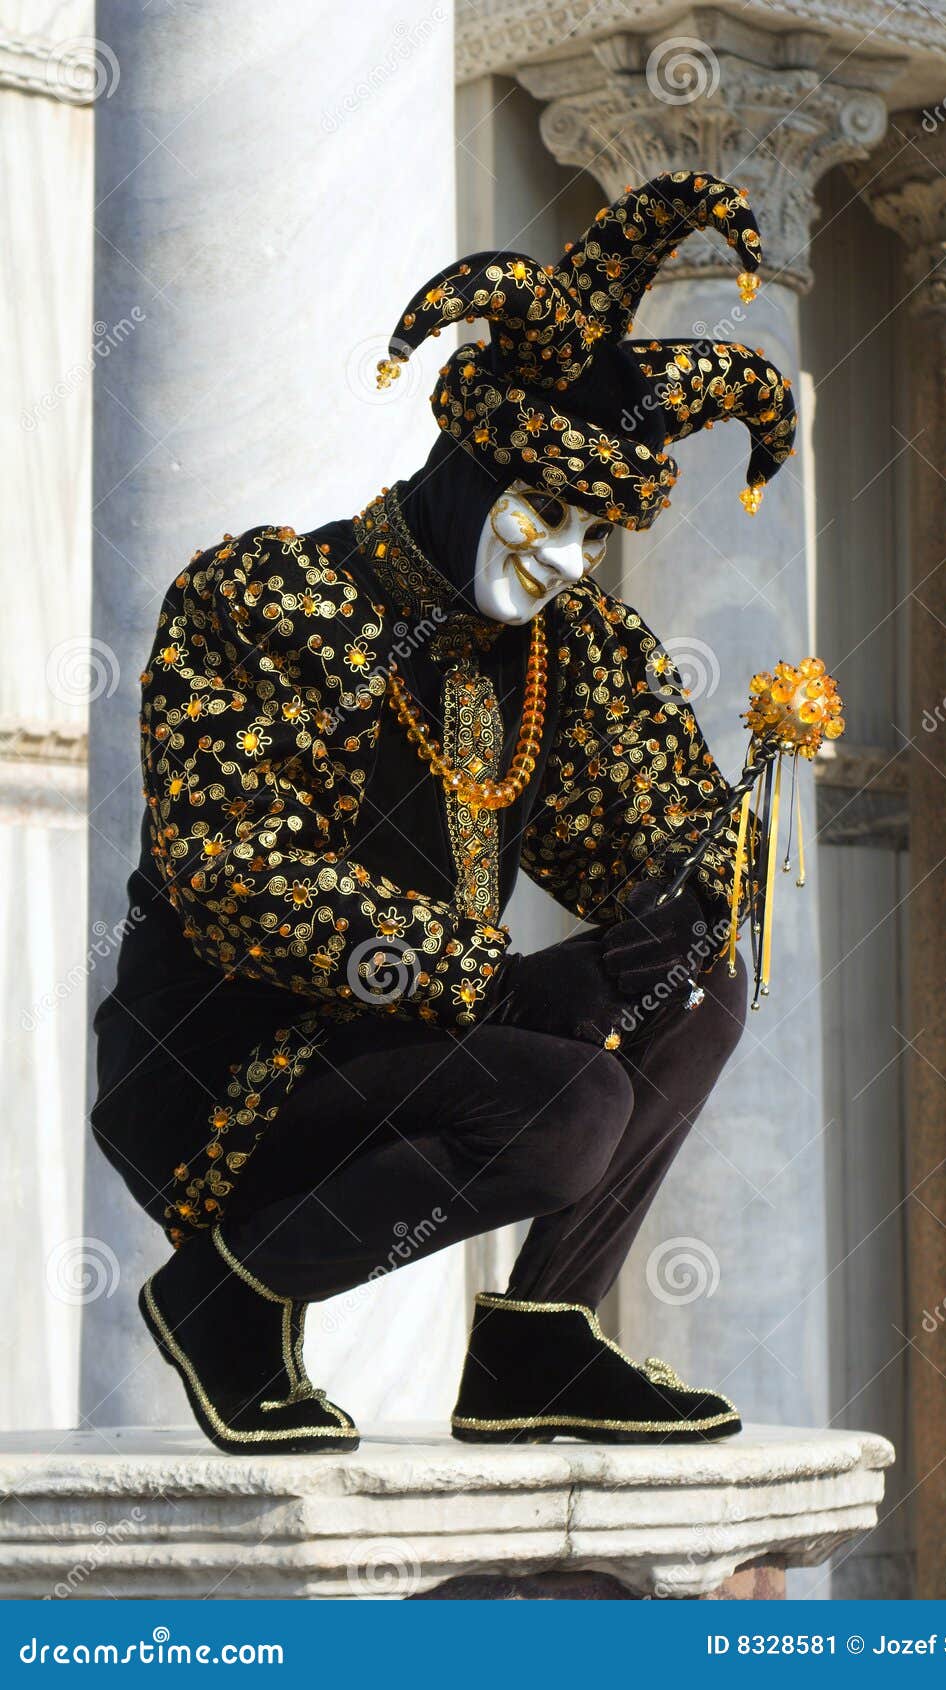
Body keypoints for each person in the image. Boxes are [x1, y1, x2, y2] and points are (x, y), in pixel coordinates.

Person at [91, 170, 796, 1454]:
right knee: (568, 1107)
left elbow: (631, 836)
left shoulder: (568, 652)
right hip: (233, 1065)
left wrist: (702, 870)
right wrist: (489, 979)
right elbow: (231, 871)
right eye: (542, 512)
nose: (561, 559)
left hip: (422, 1045)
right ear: (465, 467)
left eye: (593, 533)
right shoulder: (275, 600)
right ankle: (225, 1300)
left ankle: (537, 1338)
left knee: (701, 983)